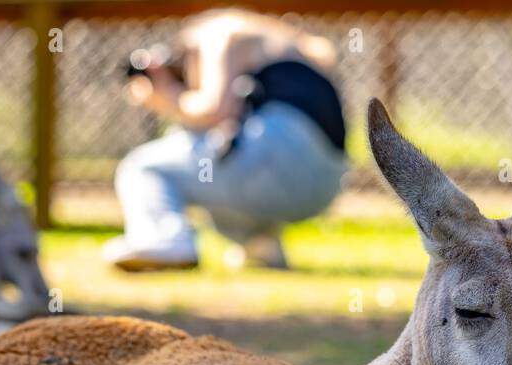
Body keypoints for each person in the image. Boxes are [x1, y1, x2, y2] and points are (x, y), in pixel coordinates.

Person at [104, 9, 347, 272]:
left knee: (143, 166)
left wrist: (166, 97)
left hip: (279, 155)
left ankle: (164, 238)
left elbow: (215, 109)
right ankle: (261, 244)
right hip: (326, 182)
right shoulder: (282, 45)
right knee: (213, 164)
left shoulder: (220, 33)